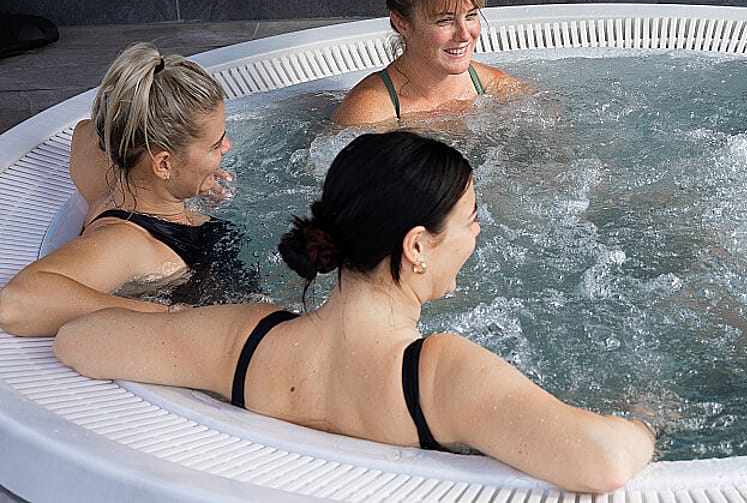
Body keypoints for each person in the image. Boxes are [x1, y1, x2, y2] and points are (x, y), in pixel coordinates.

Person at [54, 131, 655, 493]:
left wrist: (176, 323)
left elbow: (80, 340)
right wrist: (642, 421)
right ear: (416, 246)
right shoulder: (437, 374)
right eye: (469, 219)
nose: (477, 232)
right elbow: (600, 462)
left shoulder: (247, 337)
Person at [0, 43, 241, 337]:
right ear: (163, 164)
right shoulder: (130, 241)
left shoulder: (110, 180)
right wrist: (172, 316)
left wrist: (189, 172)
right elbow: (16, 303)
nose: (227, 147)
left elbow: (87, 130)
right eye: (216, 145)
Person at [333, 0, 519, 126]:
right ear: (401, 23)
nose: (463, 35)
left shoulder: (497, 89)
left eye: (471, 16)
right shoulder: (368, 114)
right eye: (445, 20)